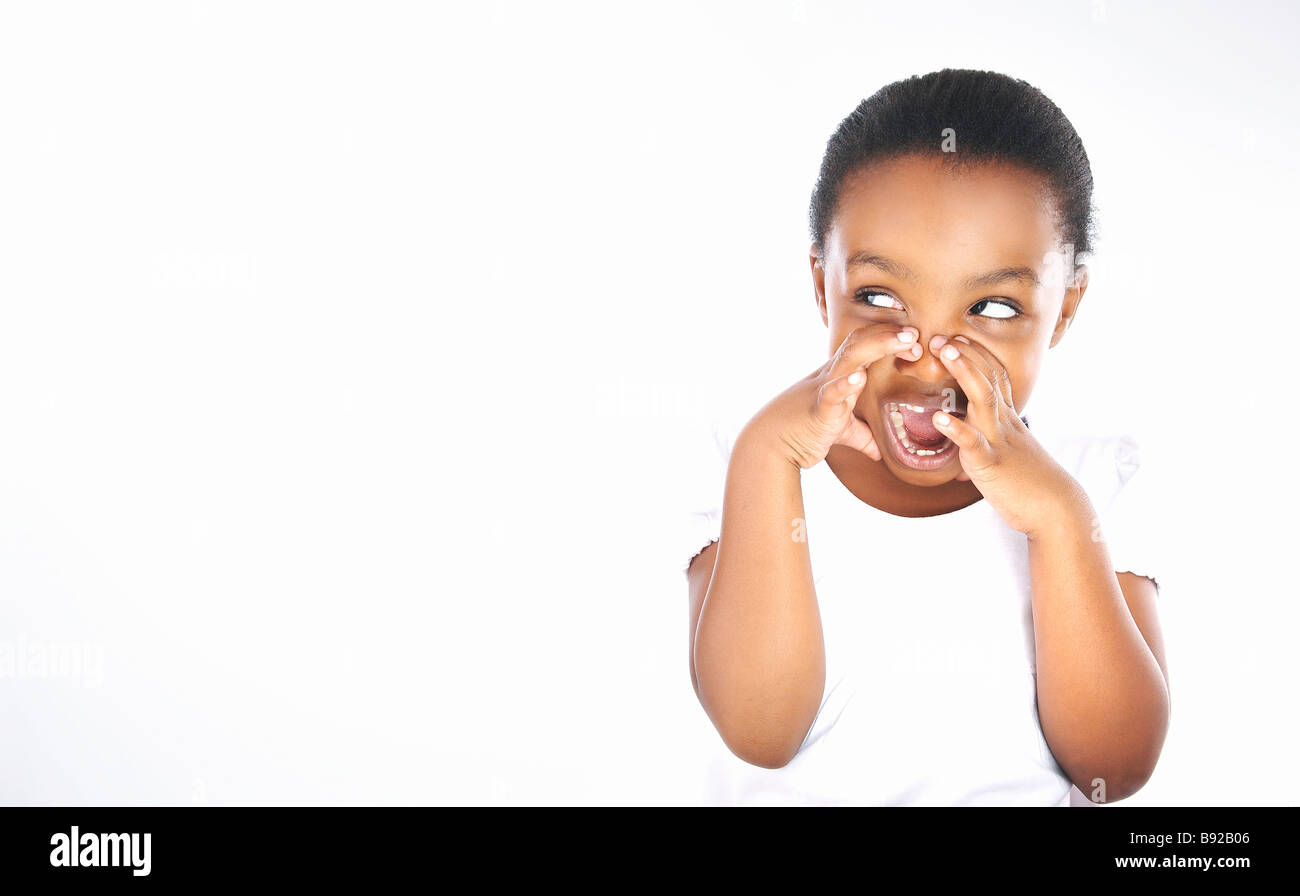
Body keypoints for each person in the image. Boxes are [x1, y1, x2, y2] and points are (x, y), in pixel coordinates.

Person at [682, 68, 1168, 806]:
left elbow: (1113, 769)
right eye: (878, 296)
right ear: (820, 284)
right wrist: (767, 459)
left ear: (1065, 309)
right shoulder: (746, 460)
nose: (929, 357)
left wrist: (1060, 522)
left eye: (993, 307)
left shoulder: (1096, 480)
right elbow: (760, 731)